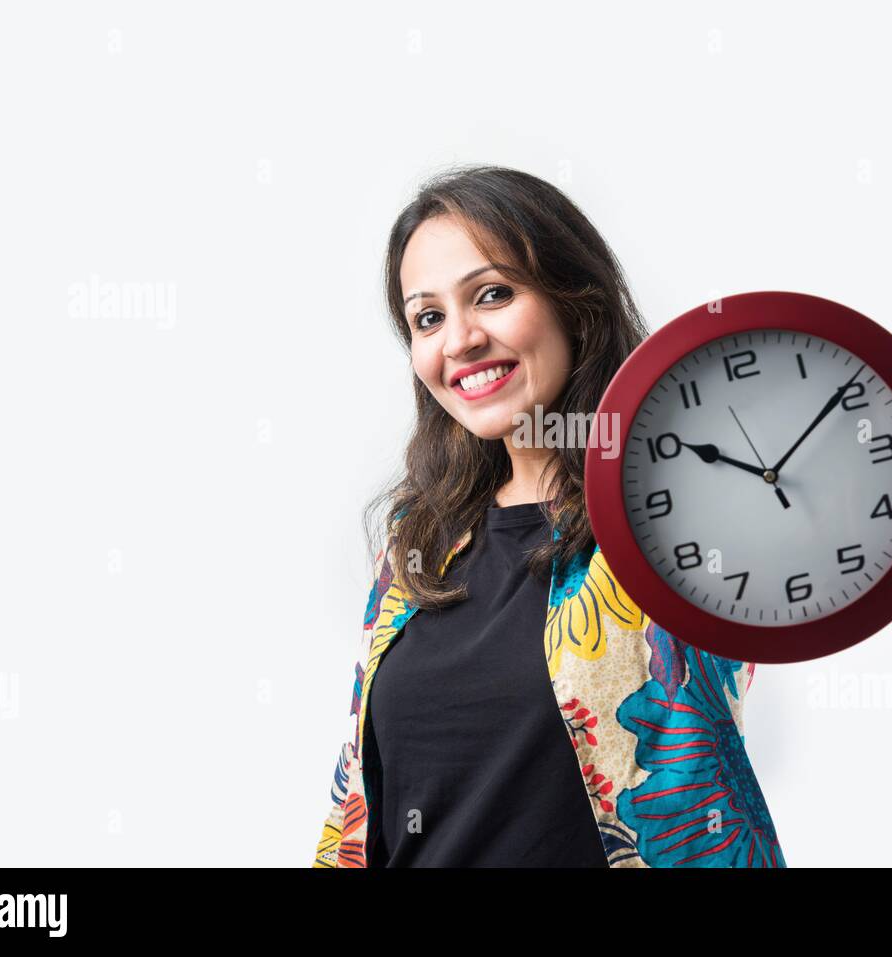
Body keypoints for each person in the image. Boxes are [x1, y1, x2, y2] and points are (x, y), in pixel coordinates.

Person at [313, 164, 785, 868]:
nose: (459, 340)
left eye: (493, 294)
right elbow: (360, 799)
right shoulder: (418, 540)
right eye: (428, 318)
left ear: (576, 302)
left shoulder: (674, 518)